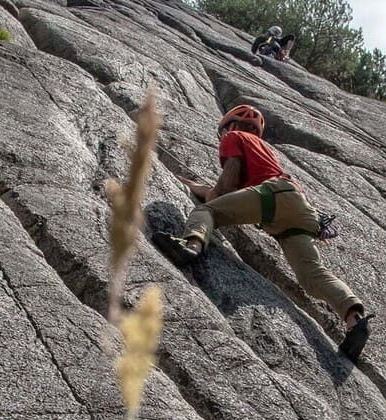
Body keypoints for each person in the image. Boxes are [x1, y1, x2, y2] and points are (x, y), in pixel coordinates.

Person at [153, 105, 373, 360]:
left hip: (272, 199)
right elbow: (234, 192)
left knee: (207, 213)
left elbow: (228, 185)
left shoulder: (233, 137)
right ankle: (355, 320)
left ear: (230, 125)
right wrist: (198, 187)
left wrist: (209, 196)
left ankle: (191, 247)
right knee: (312, 275)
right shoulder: (265, 151)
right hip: (299, 208)